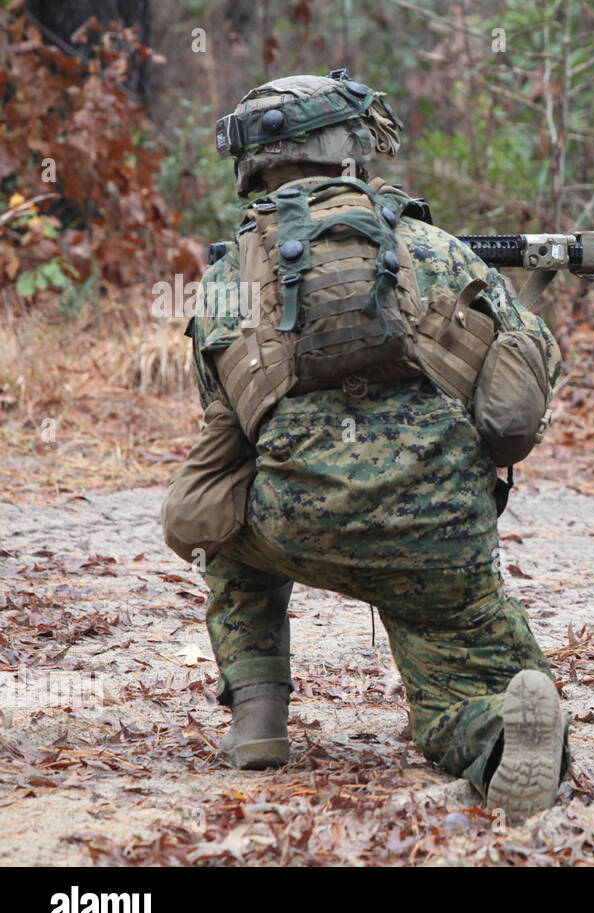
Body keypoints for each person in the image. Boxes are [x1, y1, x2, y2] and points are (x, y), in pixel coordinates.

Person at [180, 70, 567, 823]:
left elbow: (224, 440)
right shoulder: (440, 251)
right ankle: (492, 734)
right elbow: (512, 413)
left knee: (222, 527)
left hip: (296, 524)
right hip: (439, 537)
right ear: (353, 150)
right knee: (468, 690)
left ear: (254, 164)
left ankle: (258, 719)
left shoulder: (226, 278)